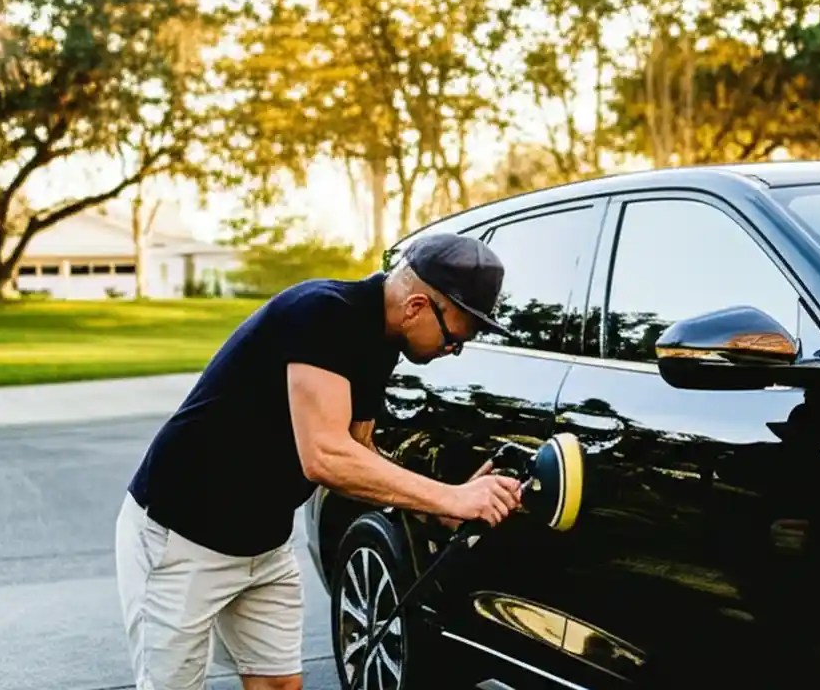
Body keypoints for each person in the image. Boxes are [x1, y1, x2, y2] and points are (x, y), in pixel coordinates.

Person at [113, 233, 523, 690]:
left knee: (278, 684)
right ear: (416, 307)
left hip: (262, 544)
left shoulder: (382, 340)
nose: (454, 351)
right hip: (181, 538)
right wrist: (453, 497)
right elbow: (325, 457)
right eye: (454, 338)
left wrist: (441, 506)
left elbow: (359, 448)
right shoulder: (322, 314)